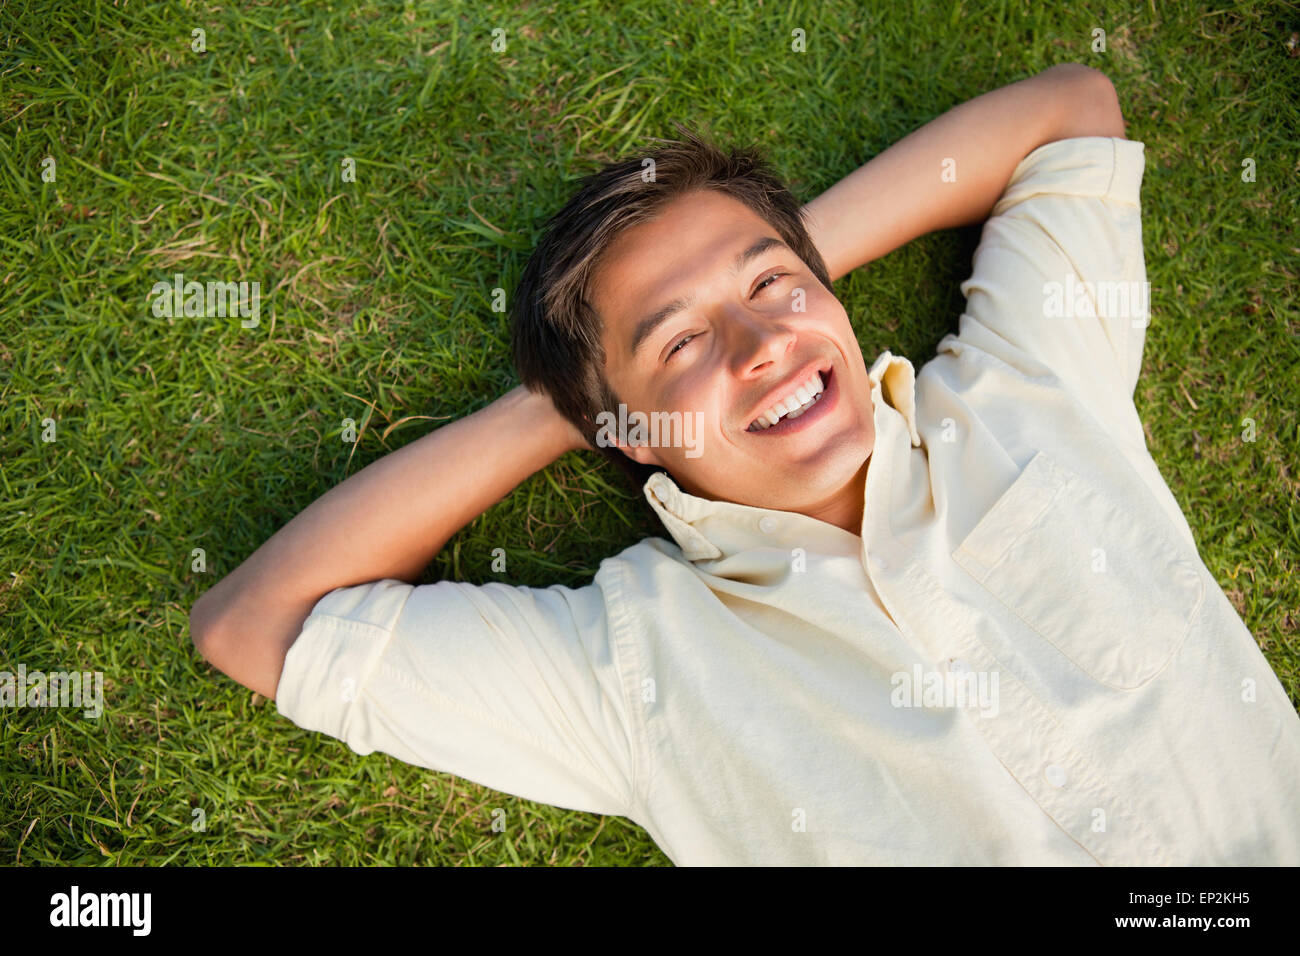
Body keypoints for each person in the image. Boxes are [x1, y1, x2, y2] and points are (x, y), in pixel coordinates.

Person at [189, 63, 1300, 865]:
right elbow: (254, 624)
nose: (762, 343)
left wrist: (771, 271)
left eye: (774, 287)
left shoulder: (1030, 388)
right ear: (619, 432)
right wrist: (568, 408)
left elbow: (1069, 115)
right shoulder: (635, 668)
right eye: (681, 341)